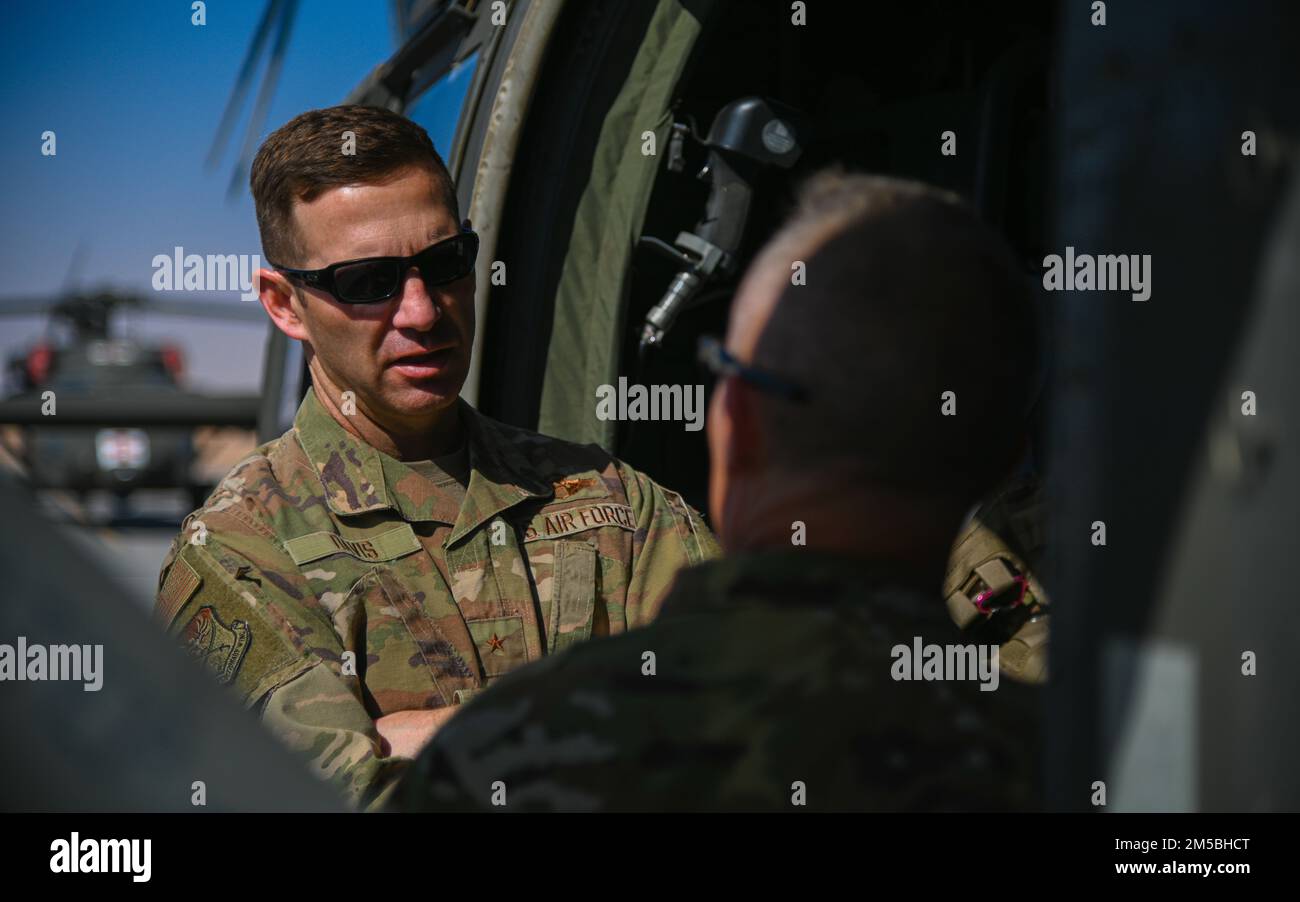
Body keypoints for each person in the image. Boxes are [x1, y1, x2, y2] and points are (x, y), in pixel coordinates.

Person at [393, 171, 1043, 811]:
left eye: (725, 372)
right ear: (1002, 461)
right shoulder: (1085, 764)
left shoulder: (508, 756)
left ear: (737, 420)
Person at [154, 105, 718, 809]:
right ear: (285, 304)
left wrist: (426, 737)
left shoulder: (612, 504)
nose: (422, 312)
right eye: (368, 282)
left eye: (444, 264)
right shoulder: (244, 550)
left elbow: (756, 725)